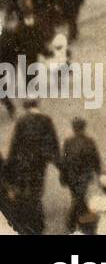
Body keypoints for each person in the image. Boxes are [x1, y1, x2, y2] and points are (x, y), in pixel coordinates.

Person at [4, 98, 59, 233]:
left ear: (26, 106)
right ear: (37, 105)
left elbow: (15, 144)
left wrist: (9, 165)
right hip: (40, 163)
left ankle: (28, 217)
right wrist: (57, 161)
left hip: (25, 162)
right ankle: (37, 215)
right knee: (38, 187)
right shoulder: (46, 120)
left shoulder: (22, 121)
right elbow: (52, 141)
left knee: (26, 187)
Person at [58, 117, 101, 233]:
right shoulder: (89, 141)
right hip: (84, 176)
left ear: (74, 128)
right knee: (79, 198)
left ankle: (75, 223)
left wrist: (62, 177)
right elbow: (96, 159)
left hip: (71, 176)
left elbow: (64, 161)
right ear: (84, 128)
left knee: (77, 198)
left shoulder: (68, 142)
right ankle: (80, 222)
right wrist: (99, 173)